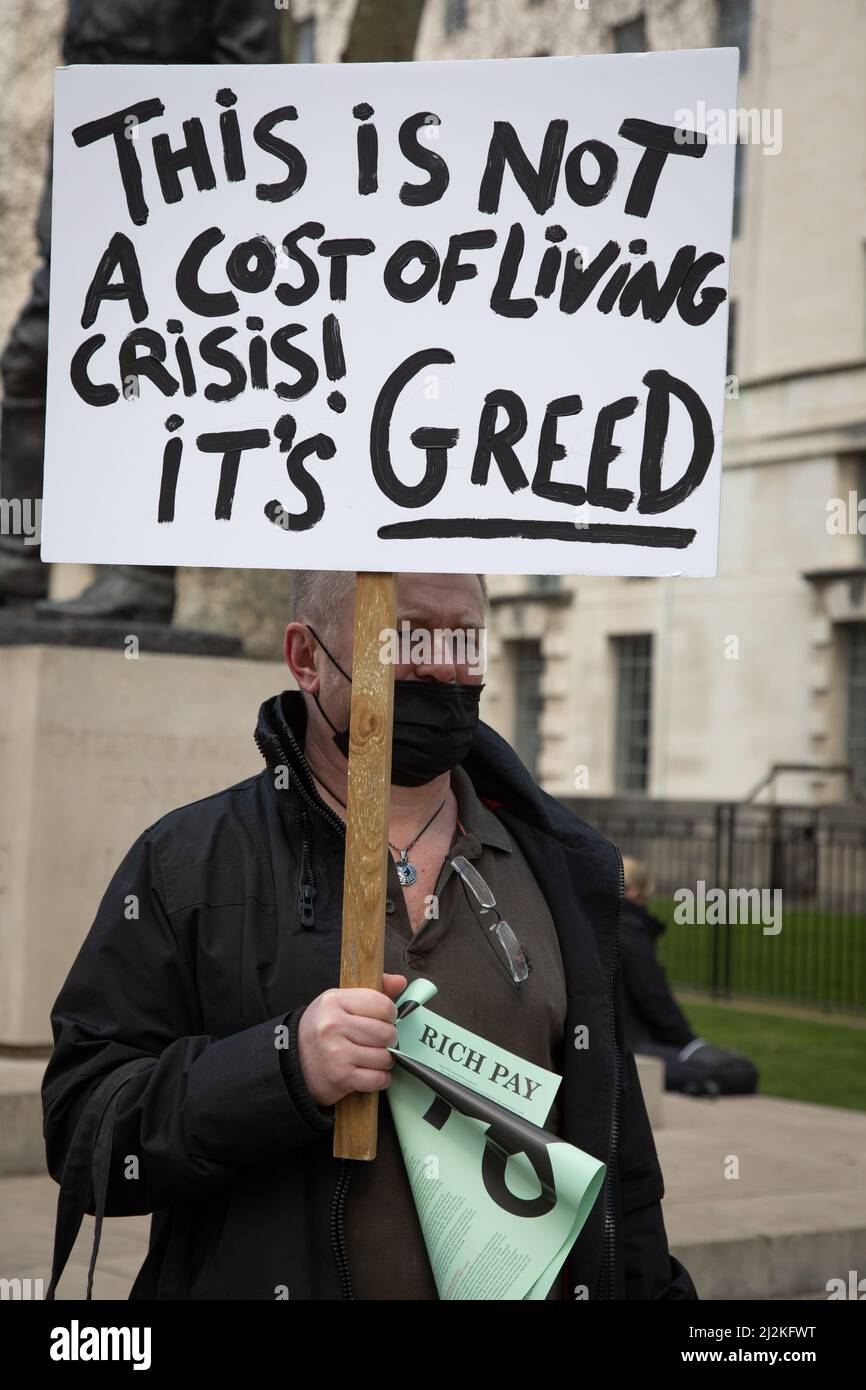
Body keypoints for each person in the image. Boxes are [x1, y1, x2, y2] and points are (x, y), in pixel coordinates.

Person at [42, 571, 697, 1300]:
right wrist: (281, 1067)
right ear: (306, 658)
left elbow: (621, 1170)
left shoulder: (563, 870)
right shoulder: (188, 863)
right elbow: (85, 1132)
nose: (443, 666)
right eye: (408, 634)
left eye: (465, 639)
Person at [0, 0, 281, 621]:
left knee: (149, 373)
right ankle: (17, 557)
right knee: (32, 356)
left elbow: (250, 75)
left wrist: (211, 191)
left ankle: (139, 573)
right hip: (88, 160)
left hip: (175, 175)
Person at [619, 856, 759, 1097]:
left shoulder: (588, 921)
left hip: (607, 1039)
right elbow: (654, 998)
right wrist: (690, 1045)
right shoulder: (628, 927)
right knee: (742, 1070)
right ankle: (699, 1081)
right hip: (632, 1044)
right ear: (632, 892)